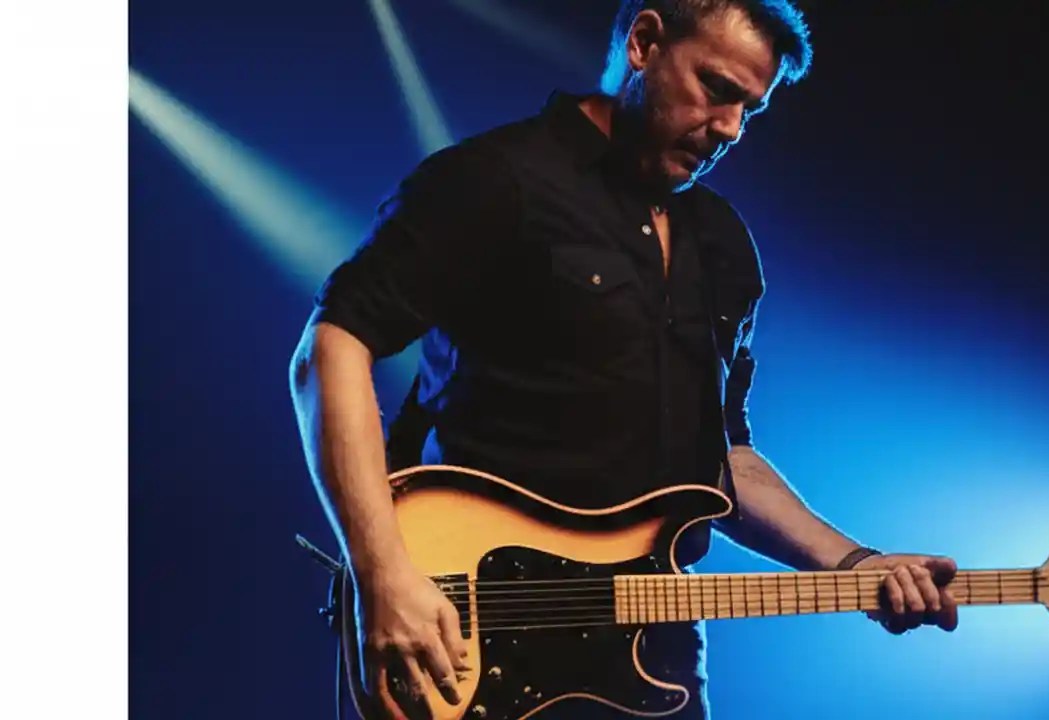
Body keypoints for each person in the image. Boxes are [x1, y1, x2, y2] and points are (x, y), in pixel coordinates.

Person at [289, 1, 958, 717]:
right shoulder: (494, 181)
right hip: (471, 640)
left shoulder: (723, 247)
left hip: (654, 657)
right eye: (717, 89)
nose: (731, 127)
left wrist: (857, 565)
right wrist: (382, 574)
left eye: (751, 110)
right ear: (644, 43)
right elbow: (331, 346)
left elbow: (724, 461)